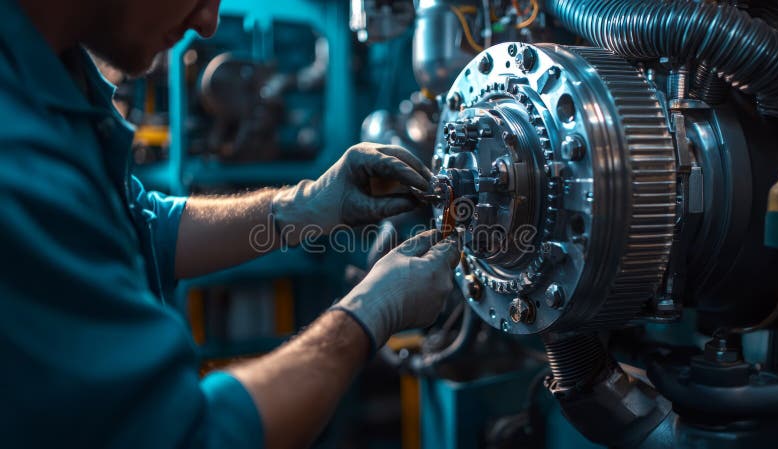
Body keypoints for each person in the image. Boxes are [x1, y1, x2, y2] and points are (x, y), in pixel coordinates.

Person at [0, 0, 461, 447]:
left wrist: (309, 204)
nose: (207, 22)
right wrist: (370, 313)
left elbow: (142, 226)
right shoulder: (17, 162)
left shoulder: (50, 75)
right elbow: (191, 437)